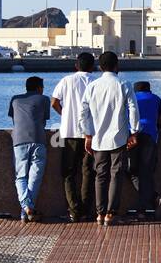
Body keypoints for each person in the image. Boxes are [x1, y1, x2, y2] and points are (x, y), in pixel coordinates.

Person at [78, 51, 139, 226]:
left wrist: (87, 134)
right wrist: (134, 132)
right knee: (116, 175)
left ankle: (99, 213)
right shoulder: (124, 84)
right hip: (118, 137)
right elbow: (133, 109)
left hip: (97, 138)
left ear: (100, 66)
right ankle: (111, 213)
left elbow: (83, 113)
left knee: (100, 175)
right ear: (116, 65)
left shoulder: (92, 86)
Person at [51, 52, 96, 222]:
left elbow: (54, 102)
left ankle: (74, 209)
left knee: (68, 172)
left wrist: (65, 115)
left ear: (76, 65)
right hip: (90, 134)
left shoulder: (66, 81)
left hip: (69, 132)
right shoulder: (95, 82)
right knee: (88, 172)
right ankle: (86, 208)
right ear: (92, 66)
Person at [8, 76, 51, 222]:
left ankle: (26, 208)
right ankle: (27, 207)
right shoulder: (44, 99)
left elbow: (14, 120)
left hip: (19, 140)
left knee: (20, 176)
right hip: (39, 139)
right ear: (40, 88)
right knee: (35, 176)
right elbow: (44, 120)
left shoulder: (15, 99)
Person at [128, 80, 161, 219]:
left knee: (132, 171)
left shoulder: (132, 98)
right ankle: (145, 207)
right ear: (149, 90)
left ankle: (145, 206)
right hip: (150, 136)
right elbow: (160, 119)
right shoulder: (156, 99)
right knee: (146, 172)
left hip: (132, 137)